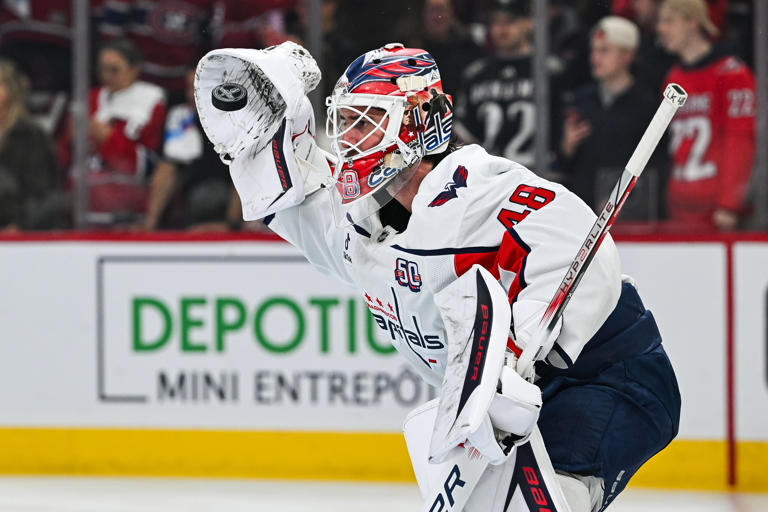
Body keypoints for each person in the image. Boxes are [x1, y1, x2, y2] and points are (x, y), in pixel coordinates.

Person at [194, 42, 680, 511]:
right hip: (503, 405)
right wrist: (272, 126)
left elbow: (582, 252)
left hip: (605, 376)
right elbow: (295, 196)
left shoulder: (482, 192)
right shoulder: (360, 226)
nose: (349, 139)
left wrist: (516, 344)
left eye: (366, 121)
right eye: (344, 121)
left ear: (417, 123)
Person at [656, 0, 755, 230]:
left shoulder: (732, 74)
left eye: (669, 21)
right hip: (679, 211)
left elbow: (741, 140)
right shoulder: (673, 77)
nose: (661, 29)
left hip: (718, 215)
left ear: (692, 22)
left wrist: (729, 204)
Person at [560, 16, 667, 221]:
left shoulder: (647, 106)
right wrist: (567, 146)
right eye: (594, 50)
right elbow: (564, 163)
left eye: (604, 50)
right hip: (582, 214)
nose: (595, 58)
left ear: (627, 55)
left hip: (630, 216)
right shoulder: (579, 101)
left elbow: (656, 168)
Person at [58, 38, 166, 228]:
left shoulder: (151, 102)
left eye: (114, 70)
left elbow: (147, 163)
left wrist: (108, 138)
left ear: (135, 69)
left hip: (127, 200)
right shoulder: (90, 99)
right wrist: (71, 139)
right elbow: (65, 155)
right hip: (82, 198)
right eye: (102, 69)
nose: (106, 76)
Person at [454, 0, 559, 170]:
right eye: (496, 22)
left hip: (537, 174)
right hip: (488, 174)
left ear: (529, 23)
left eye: (510, 21)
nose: (502, 28)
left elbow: (562, 130)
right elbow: (464, 134)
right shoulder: (475, 74)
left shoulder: (550, 72)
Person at [143, 67, 240, 231]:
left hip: (225, 200)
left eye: (200, 88)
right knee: (166, 169)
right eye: (189, 88)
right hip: (190, 198)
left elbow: (244, 172)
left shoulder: (236, 123)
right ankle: (148, 226)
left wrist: (231, 225)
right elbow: (167, 167)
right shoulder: (181, 118)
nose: (192, 95)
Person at [0, 59, 62, 230]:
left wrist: (20, 225)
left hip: (21, 230)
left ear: (12, 91)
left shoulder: (32, 135)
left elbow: (44, 194)